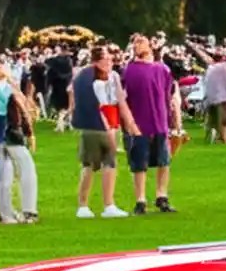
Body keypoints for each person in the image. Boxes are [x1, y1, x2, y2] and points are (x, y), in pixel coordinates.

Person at [71, 46, 139, 219]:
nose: (109, 62)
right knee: (93, 164)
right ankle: (88, 204)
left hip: (107, 120)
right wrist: (108, 127)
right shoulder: (90, 79)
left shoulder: (109, 76)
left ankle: (103, 204)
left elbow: (120, 101)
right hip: (97, 123)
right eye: (105, 60)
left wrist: (130, 124)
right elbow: (97, 106)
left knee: (107, 163)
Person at [121, 34, 180, 215]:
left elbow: (170, 96)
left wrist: (175, 122)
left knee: (164, 161)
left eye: (141, 41)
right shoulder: (129, 71)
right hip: (139, 124)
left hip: (160, 121)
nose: (138, 45)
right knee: (139, 163)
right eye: (135, 43)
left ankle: (161, 196)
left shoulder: (162, 69)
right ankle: (140, 199)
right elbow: (122, 98)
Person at [0, 63, 38, 223]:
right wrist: (29, 132)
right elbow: (20, 112)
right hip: (11, 132)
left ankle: (5, 212)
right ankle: (29, 210)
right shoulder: (8, 89)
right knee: (27, 169)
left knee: (4, 175)